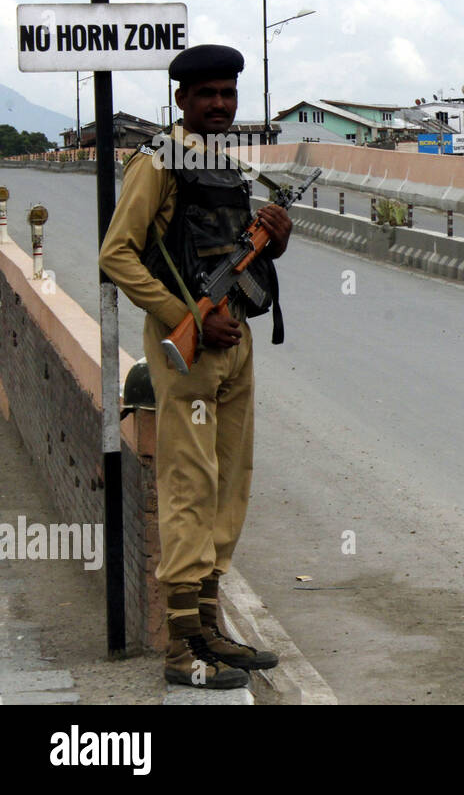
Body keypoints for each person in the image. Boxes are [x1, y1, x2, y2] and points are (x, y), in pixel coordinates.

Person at [99, 44, 293, 689]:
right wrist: (185, 311)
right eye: (206, 94)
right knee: (188, 488)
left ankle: (209, 628)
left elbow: (233, 254)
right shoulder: (158, 163)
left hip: (235, 345)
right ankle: (183, 652)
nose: (219, 104)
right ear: (181, 99)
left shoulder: (227, 168)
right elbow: (117, 254)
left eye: (228, 94)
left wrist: (275, 243)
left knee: (230, 483)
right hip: (188, 351)